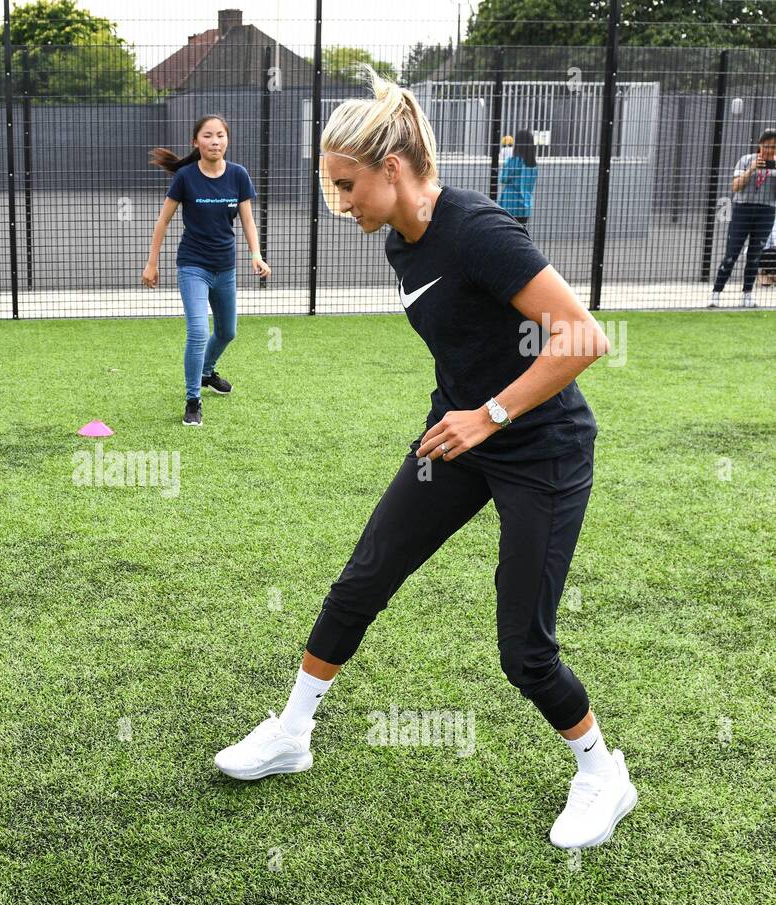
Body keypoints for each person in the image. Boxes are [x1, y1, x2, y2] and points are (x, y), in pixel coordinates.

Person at [214, 68, 636, 851]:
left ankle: (601, 772)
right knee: (364, 576)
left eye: (347, 186)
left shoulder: (477, 231)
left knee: (524, 648)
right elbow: (470, 342)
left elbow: (583, 336)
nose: (342, 203)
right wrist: (462, 417)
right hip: (458, 440)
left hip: (542, 448)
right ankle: (293, 732)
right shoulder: (400, 242)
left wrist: (490, 414)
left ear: (392, 169)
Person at [142, 115, 271, 427]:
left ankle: (206, 371)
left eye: (220, 135)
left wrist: (256, 254)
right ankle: (192, 400)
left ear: (227, 139)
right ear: (196, 142)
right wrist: (152, 262)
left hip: (225, 267)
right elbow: (163, 221)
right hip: (193, 266)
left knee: (227, 332)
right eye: (208, 136)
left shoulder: (238, 175)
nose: (215, 141)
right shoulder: (185, 177)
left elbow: (248, 220)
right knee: (198, 331)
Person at [710, 128, 776, 308]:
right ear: (760, 145)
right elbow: (735, 187)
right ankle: (716, 293)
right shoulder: (746, 160)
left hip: (766, 212)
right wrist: (751, 170)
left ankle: (747, 295)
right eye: (767, 146)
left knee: (755, 255)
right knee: (731, 254)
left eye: (774, 147)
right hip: (742, 210)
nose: (769, 150)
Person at [499, 128, 537, 229]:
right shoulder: (533, 164)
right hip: (526, 205)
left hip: (510, 204)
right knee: (521, 232)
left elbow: (503, 178)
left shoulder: (513, 161)